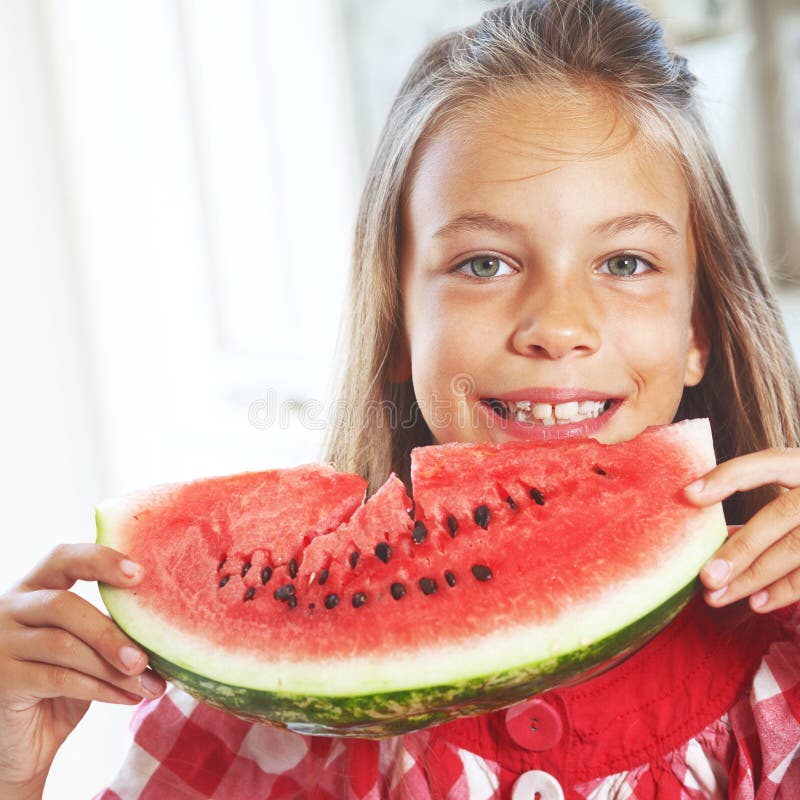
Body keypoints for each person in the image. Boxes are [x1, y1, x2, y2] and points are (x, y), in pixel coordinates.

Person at [3, 0, 800, 797]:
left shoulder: (784, 672)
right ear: (395, 330)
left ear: (699, 330)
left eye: (625, 263)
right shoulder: (273, 704)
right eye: (485, 263)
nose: (558, 327)